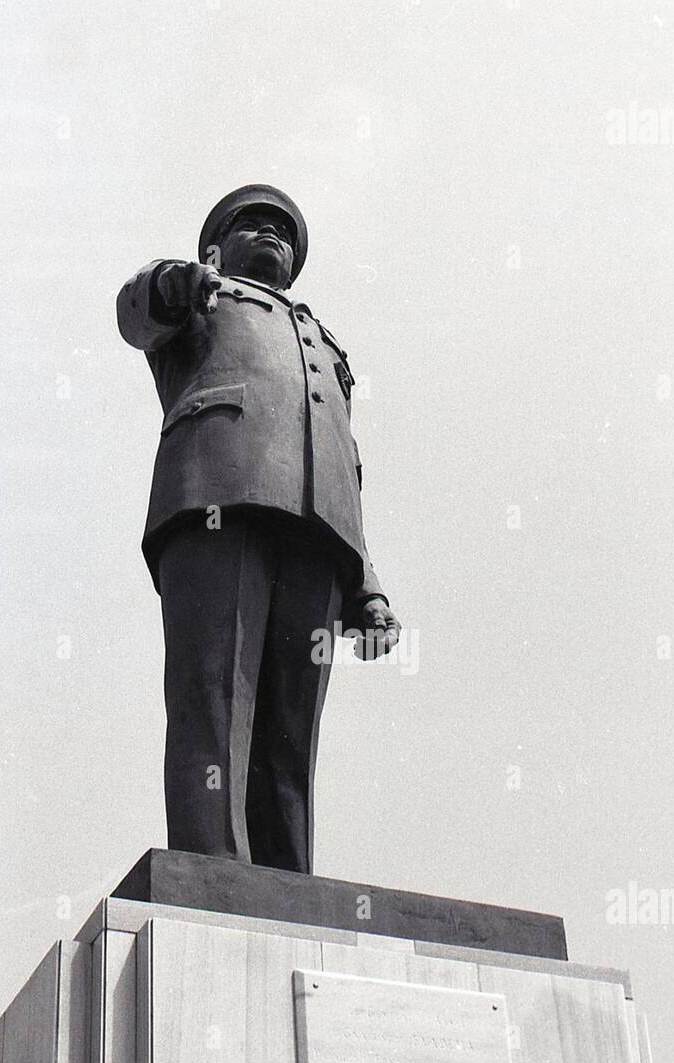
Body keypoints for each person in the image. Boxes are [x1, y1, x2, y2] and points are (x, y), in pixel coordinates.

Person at [116, 184, 400, 872]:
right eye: (254, 224)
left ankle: (286, 885)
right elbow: (135, 313)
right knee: (213, 697)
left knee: (291, 733)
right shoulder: (201, 298)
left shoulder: (325, 345)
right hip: (218, 493)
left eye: (283, 229)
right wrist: (168, 284)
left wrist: (365, 583)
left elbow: (347, 463)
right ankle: (214, 869)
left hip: (319, 531)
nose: (271, 233)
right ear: (214, 248)